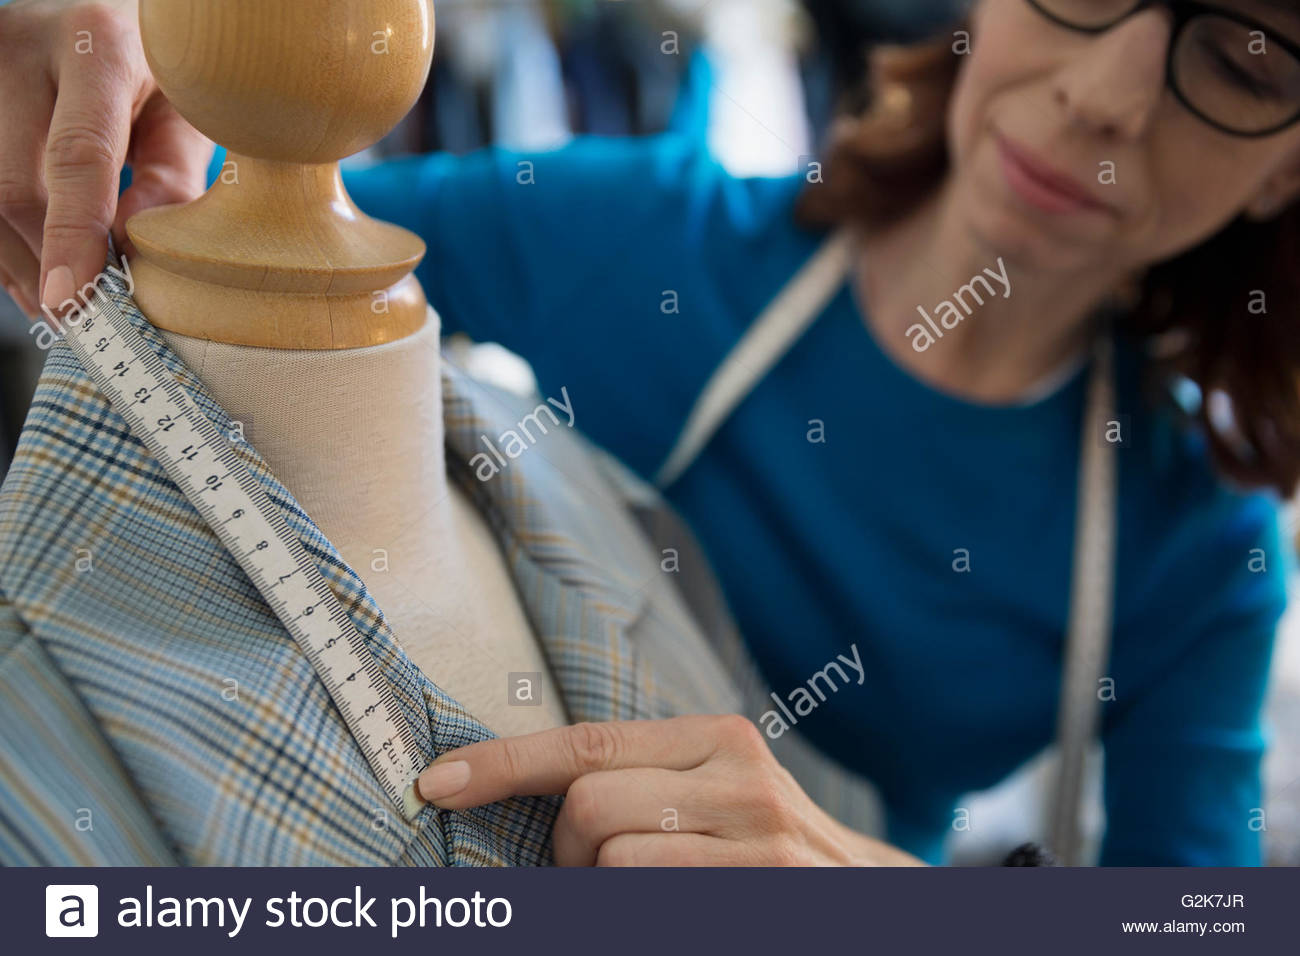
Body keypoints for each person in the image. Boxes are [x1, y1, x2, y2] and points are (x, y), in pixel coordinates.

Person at [1, 0, 1296, 866]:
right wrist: (74, 75)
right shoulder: (641, 239)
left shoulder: (1199, 543)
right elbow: (211, 221)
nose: (1111, 97)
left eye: (1244, 63)